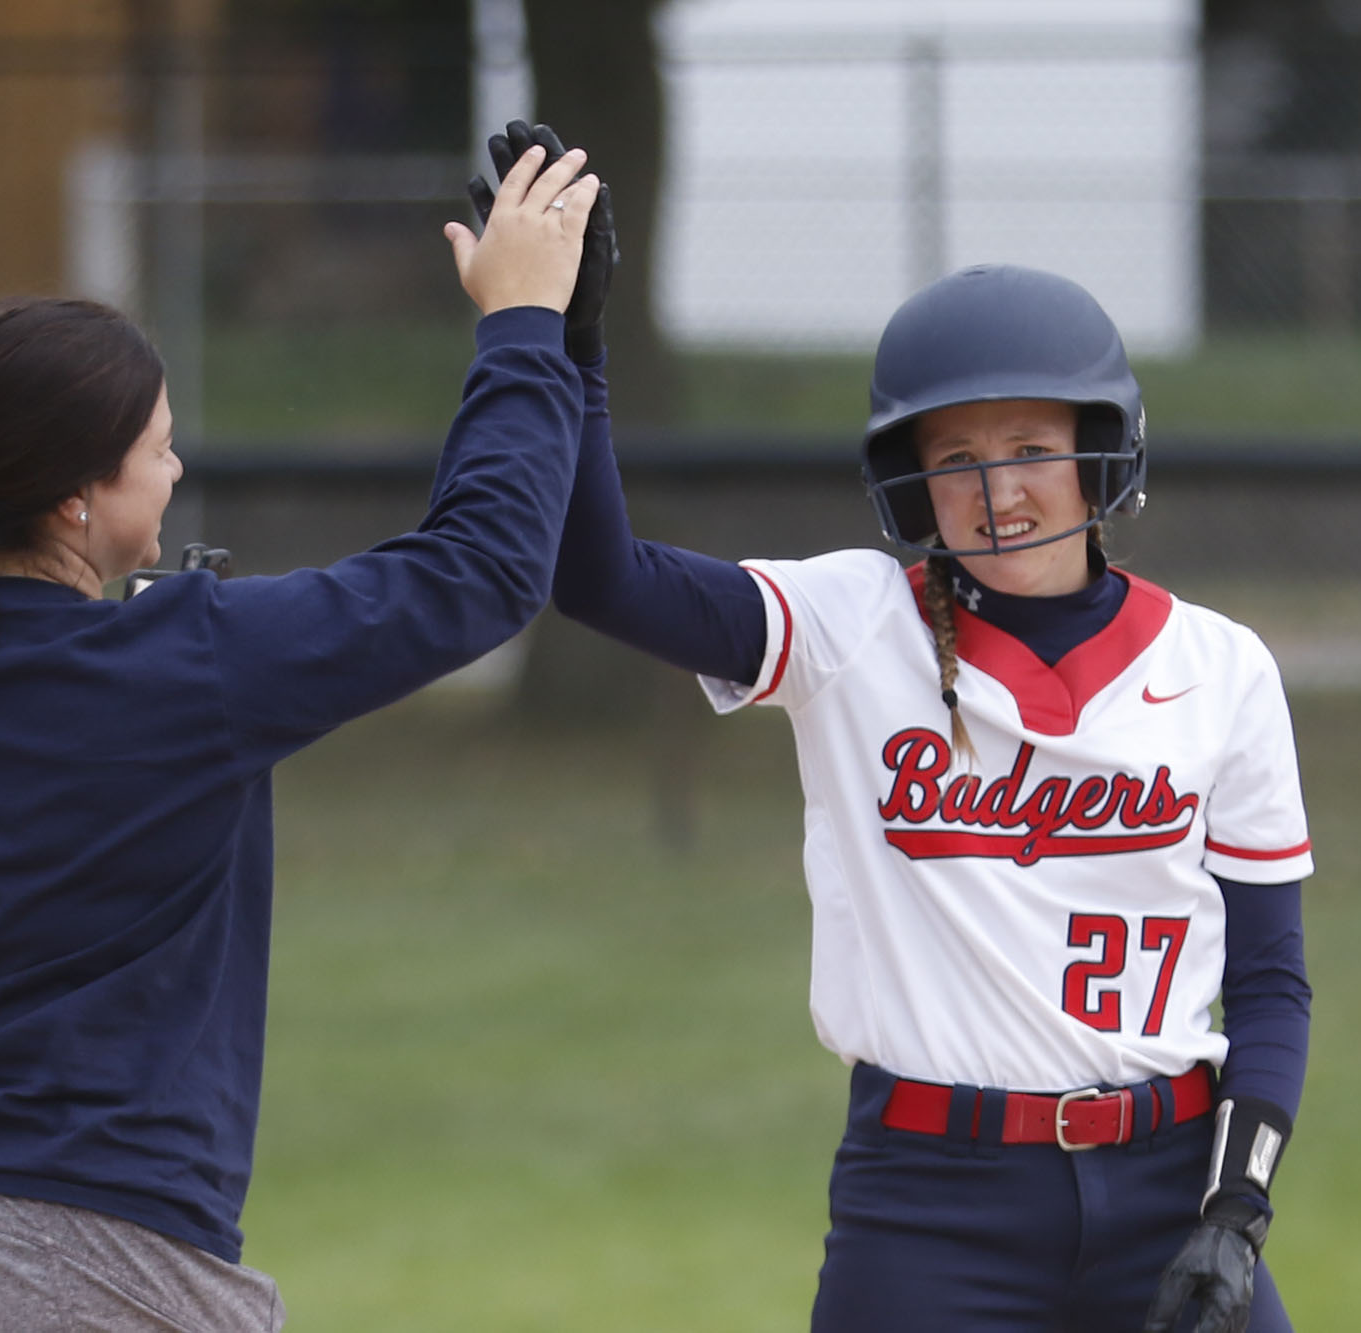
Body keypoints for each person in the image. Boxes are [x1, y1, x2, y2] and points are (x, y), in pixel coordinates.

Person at [535, 122, 1312, 1333]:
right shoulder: (851, 624)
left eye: (1029, 448)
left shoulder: (1220, 668)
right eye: (955, 456)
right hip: (930, 1199)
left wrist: (1233, 1212)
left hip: (1169, 1181)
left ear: (1097, 454)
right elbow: (598, 579)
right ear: (908, 481)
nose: (997, 490)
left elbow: (1268, 982)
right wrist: (566, 351)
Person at [0, 139, 601, 1330]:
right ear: (75, 496)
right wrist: (523, 329)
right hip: (75, 1266)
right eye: (157, 445)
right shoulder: (180, 662)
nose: (178, 465)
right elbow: (480, 574)